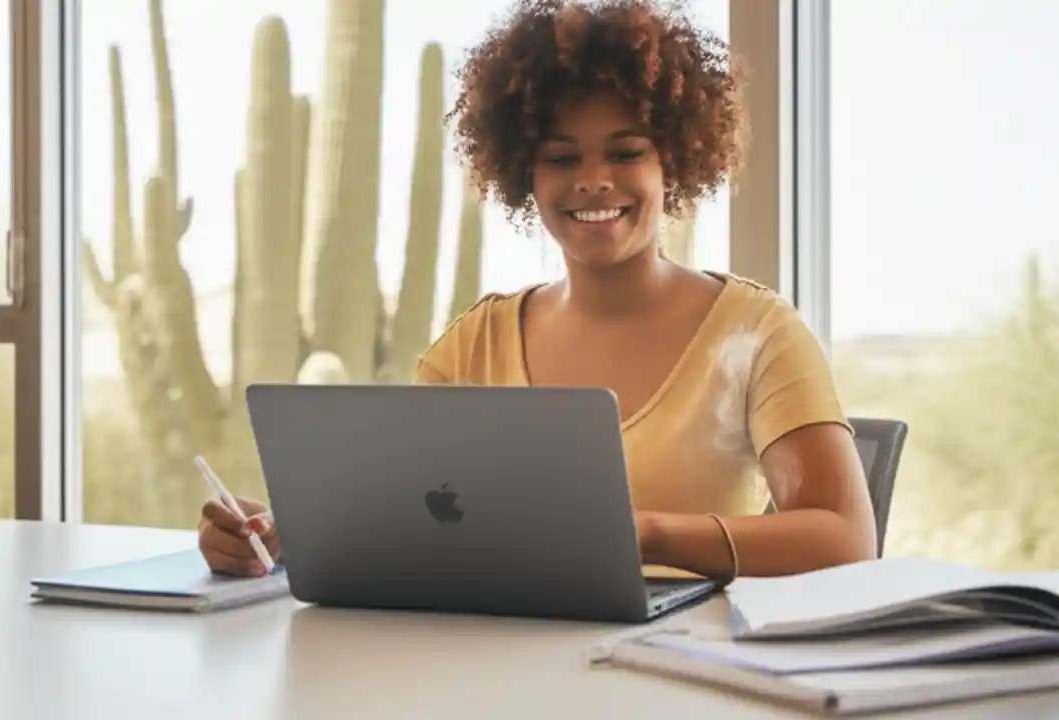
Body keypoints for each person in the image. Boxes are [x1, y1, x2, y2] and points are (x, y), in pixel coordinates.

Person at [199, 0, 877, 580]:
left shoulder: (757, 333)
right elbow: (398, 510)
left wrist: (643, 534)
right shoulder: (474, 342)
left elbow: (844, 540)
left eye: (626, 152)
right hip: (499, 665)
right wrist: (275, 534)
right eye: (560, 158)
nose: (592, 180)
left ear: (675, 158)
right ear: (526, 175)